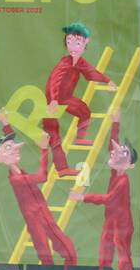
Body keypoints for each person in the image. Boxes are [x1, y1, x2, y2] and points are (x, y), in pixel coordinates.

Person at [0, 109, 77, 270]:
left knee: (68, 251)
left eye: (14, 147)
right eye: (8, 149)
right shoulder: (16, 179)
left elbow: (11, 145)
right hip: (36, 220)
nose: (15, 149)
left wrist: (6, 124)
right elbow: (42, 176)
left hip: (44, 216)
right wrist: (43, 149)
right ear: (0, 158)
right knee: (48, 258)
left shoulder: (19, 171)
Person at [68, 108, 136, 270]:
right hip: (110, 222)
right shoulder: (116, 174)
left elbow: (108, 198)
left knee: (123, 260)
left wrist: (82, 197)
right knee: (104, 259)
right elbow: (111, 147)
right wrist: (115, 123)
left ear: (130, 164)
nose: (116, 152)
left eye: (123, 153)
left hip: (122, 225)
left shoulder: (123, 180)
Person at [42, 23, 113, 177]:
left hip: (66, 99)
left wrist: (107, 81)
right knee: (54, 135)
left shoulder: (80, 62)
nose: (72, 47)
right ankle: (62, 169)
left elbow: (91, 73)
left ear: (86, 42)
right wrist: (53, 100)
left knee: (84, 110)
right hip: (52, 102)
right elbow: (54, 81)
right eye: (69, 42)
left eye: (77, 43)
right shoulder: (65, 62)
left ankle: (80, 138)